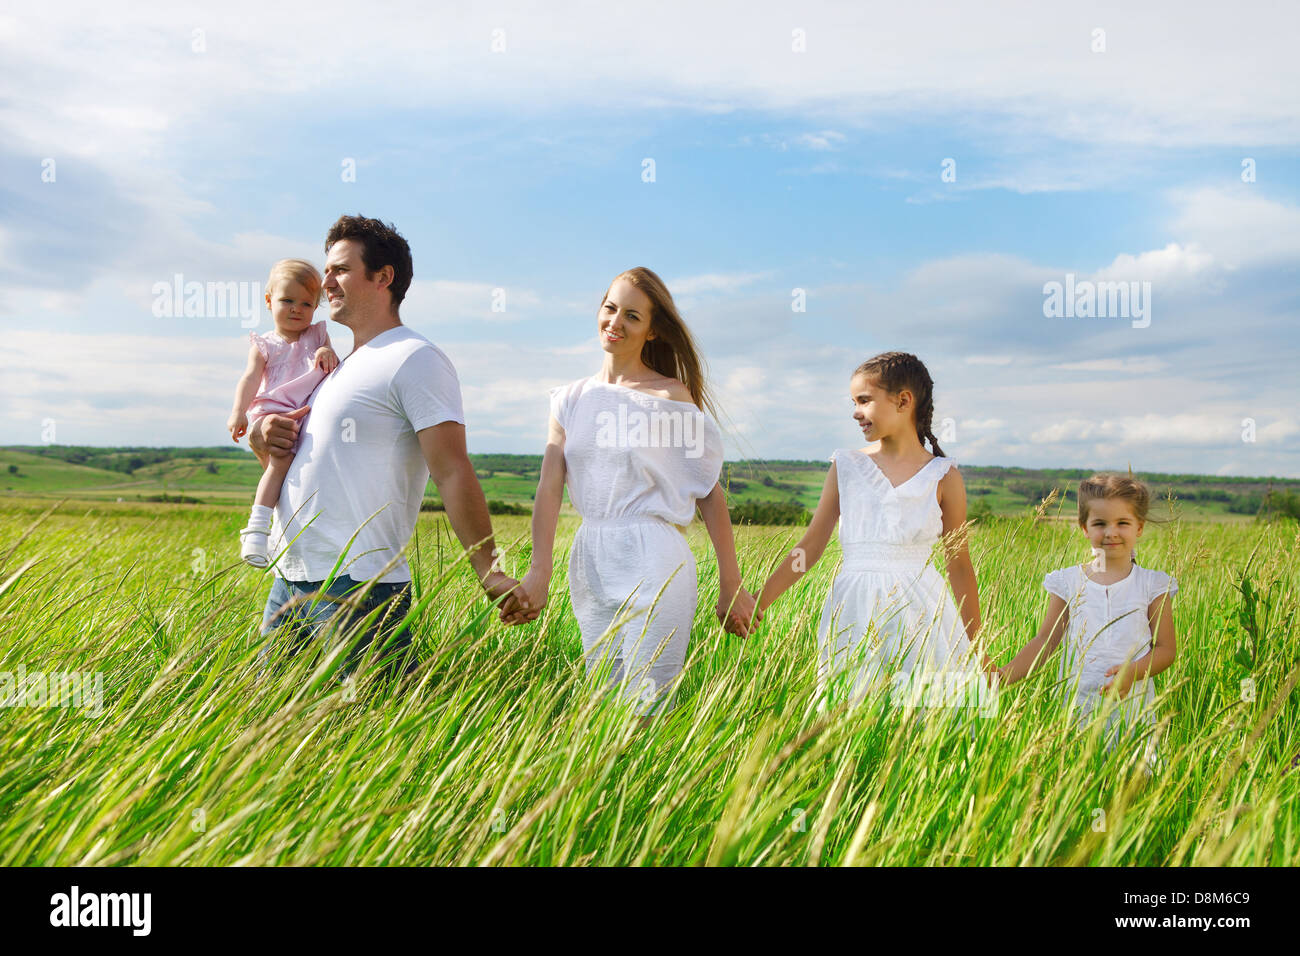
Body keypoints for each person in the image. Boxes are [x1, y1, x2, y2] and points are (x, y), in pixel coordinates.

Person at [248, 215, 527, 679]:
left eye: (339, 269)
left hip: (359, 585)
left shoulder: (415, 358)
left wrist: (490, 571)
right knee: (271, 720)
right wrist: (262, 437)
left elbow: (453, 470)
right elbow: (303, 458)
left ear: (383, 277)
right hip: (291, 576)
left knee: (375, 725)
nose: (325, 282)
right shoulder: (336, 368)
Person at [511, 267, 759, 717]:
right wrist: (539, 571)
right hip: (590, 558)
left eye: (632, 316)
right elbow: (549, 487)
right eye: (610, 309)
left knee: (644, 710)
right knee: (603, 706)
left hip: (654, 554)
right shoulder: (570, 399)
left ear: (652, 331)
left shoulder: (670, 395)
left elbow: (708, 491)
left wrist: (731, 585)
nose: (615, 323)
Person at [757, 351, 995, 710]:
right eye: (853, 402)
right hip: (854, 609)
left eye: (864, 400)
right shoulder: (847, 466)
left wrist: (978, 647)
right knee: (851, 714)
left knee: (920, 715)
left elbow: (959, 564)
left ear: (903, 401)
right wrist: (761, 600)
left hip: (923, 613)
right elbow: (811, 545)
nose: (855, 411)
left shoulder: (944, 476)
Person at [996, 473, 1177, 772]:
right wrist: (1004, 676)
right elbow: (1045, 641)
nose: (1111, 532)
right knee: (1079, 777)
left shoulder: (1152, 585)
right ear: (1084, 527)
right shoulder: (1068, 581)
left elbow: (1166, 648)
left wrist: (1132, 672)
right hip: (1078, 705)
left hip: (1131, 705)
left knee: (1132, 781)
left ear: (1139, 528)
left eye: (1123, 523)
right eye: (1100, 524)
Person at [227, 258, 339, 567]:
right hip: (275, 410)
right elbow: (249, 378)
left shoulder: (317, 336)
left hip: (305, 411)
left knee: (300, 474)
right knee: (280, 464)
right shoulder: (265, 344)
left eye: (306, 303)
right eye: (287, 300)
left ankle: (282, 535)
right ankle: (256, 529)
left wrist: (325, 352)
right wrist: (239, 412)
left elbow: (331, 361)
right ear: (268, 301)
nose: (296, 309)